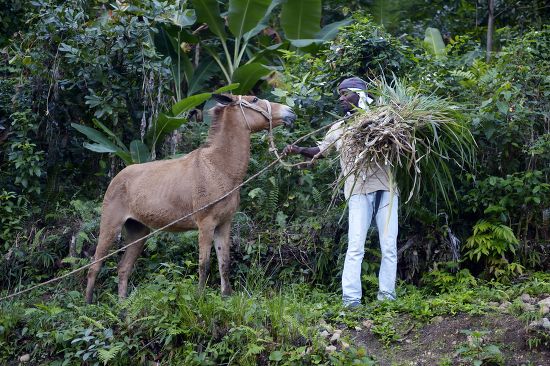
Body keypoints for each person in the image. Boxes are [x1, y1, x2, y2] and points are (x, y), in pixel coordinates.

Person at [284, 76, 398, 307]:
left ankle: (387, 298)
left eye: (345, 94)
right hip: (357, 190)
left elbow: (396, 141)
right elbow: (320, 150)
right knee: (355, 245)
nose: (341, 99)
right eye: (340, 94)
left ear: (360, 94)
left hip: (386, 189)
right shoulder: (339, 128)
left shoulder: (382, 119)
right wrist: (297, 149)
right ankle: (351, 299)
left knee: (389, 246)